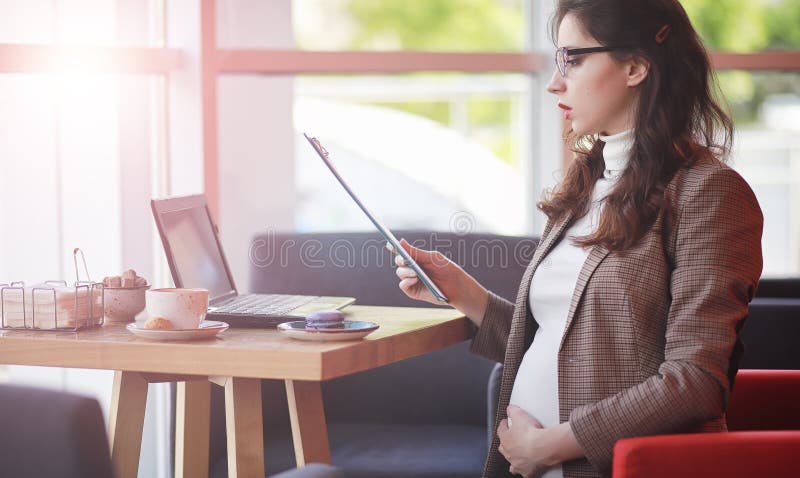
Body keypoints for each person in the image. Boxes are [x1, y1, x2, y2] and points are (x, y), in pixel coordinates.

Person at [389, 1, 763, 477]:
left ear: (636, 66)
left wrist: (553, 446)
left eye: (573, 58)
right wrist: (466, 294)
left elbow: (694, 381)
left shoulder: (709, 192)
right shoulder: (587, 180)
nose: (554, 81)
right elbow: (567, 343)